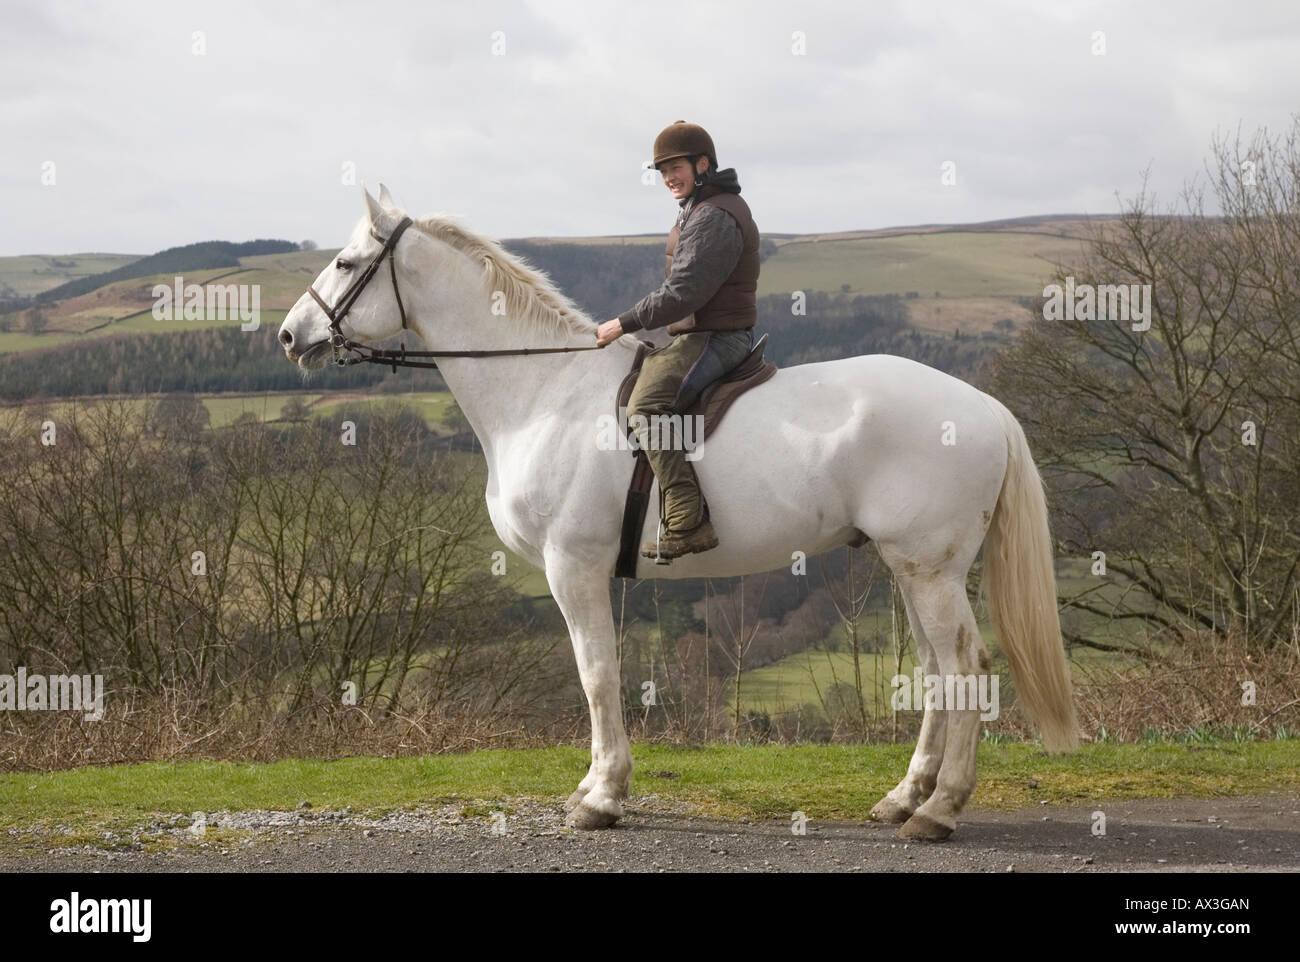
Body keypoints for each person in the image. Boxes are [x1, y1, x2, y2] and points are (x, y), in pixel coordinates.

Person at [595, 120, 761, 561]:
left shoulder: (714, 215)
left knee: (645, 406)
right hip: (701, 334)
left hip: (716, 339)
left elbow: (683, 293)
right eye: (662, 170)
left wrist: (623, 323)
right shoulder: (699, 207)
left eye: (676, 167)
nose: (668, 177)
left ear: (702, 165)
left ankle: (687, 518)